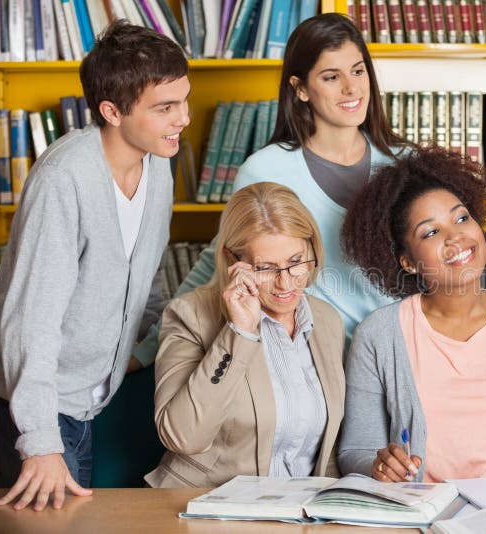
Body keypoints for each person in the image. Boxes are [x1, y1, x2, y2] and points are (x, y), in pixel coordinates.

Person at [130, 12, 411, 369]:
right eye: (331, 76)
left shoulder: (406, 164)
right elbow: (218, 264)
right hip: (310, 366)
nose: (351, 88)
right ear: (301, 88)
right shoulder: (265, 170)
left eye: (358, 71)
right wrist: (147, 350)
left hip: (398, 359)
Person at [0, 21, 189, 510]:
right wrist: (39, 441)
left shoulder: (158, 162)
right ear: (111, 111)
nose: (182, 117)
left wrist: (147, 345)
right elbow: (29, 322)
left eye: (184, 100)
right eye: (165, 107)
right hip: (30, 410)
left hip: (84, 404)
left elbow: (147, 277)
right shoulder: (64, 180)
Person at [338, 148, 486, 483]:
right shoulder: (378, 334)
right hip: (421, 512)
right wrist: (378, 466)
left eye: (462, 218)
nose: (456, 237)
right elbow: (356, 450)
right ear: (407, 261)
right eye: (430, 232)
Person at [144, 183, 344, 487]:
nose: (285, 283)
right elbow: (183, 437)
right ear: (231, 260)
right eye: (265, 268)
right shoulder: (189, 315)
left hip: (296, 511)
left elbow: (324, 451)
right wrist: (239, 332)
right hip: (202, 505)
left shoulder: (326, 321)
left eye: (295, 262)